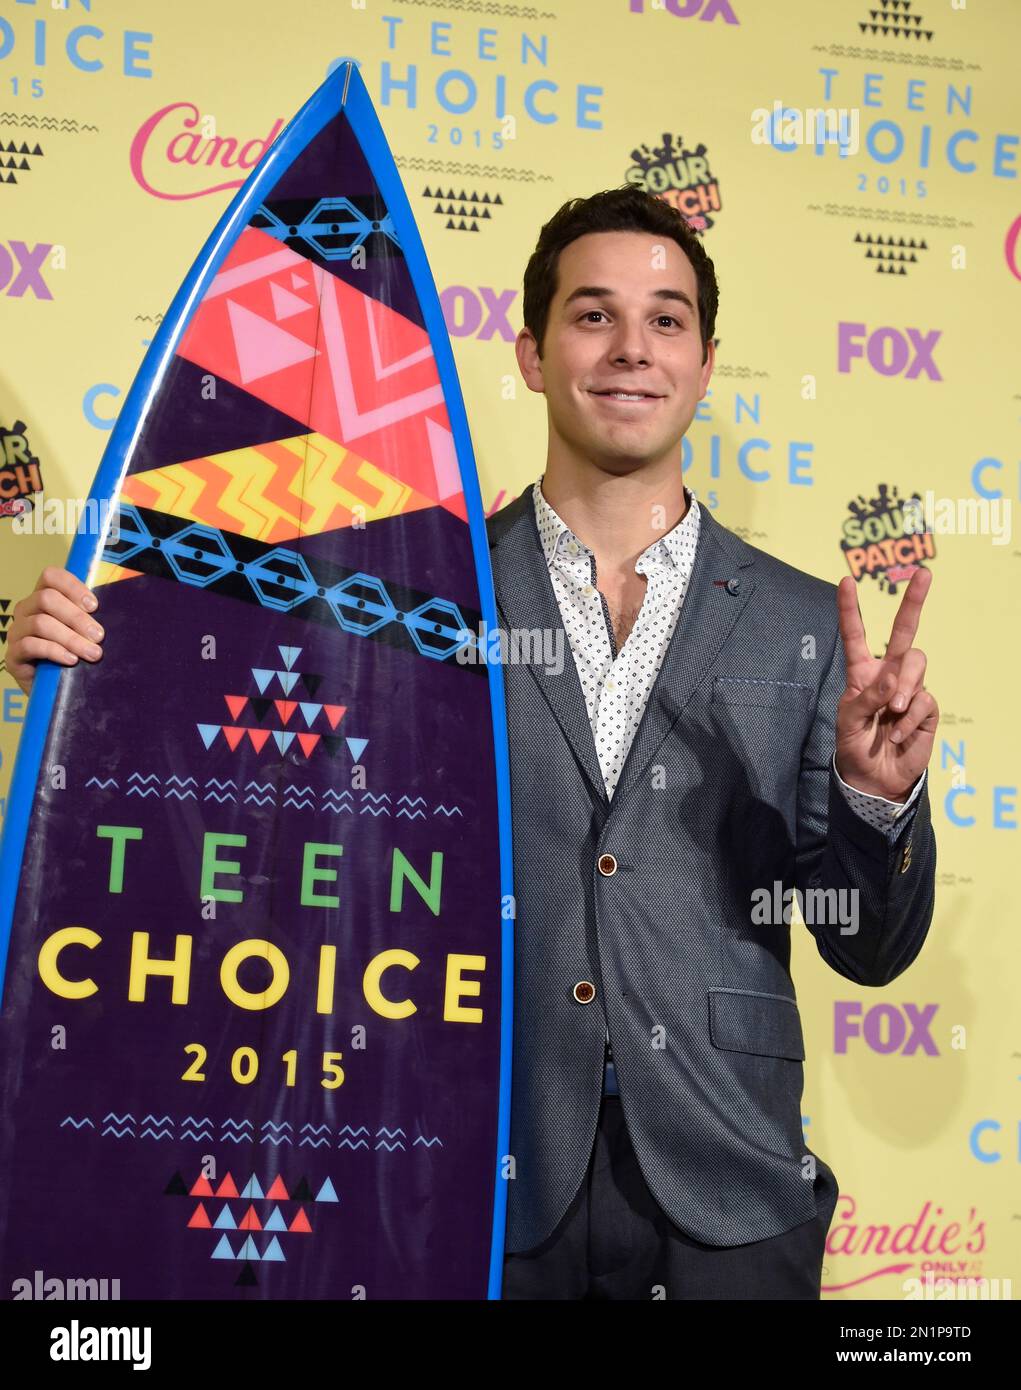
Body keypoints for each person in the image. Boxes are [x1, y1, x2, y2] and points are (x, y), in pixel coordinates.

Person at [7, 185, 939, 1301]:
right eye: (593, 315)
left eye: (666, 319)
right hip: (473, 1171)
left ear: (703, 361)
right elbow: (262, 812)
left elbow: (868, 951)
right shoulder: (410, 593)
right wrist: (95, 689)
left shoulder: (804, 622)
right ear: (533, 354)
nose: (631, 349)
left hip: (730, 1189)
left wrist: (874, 798)